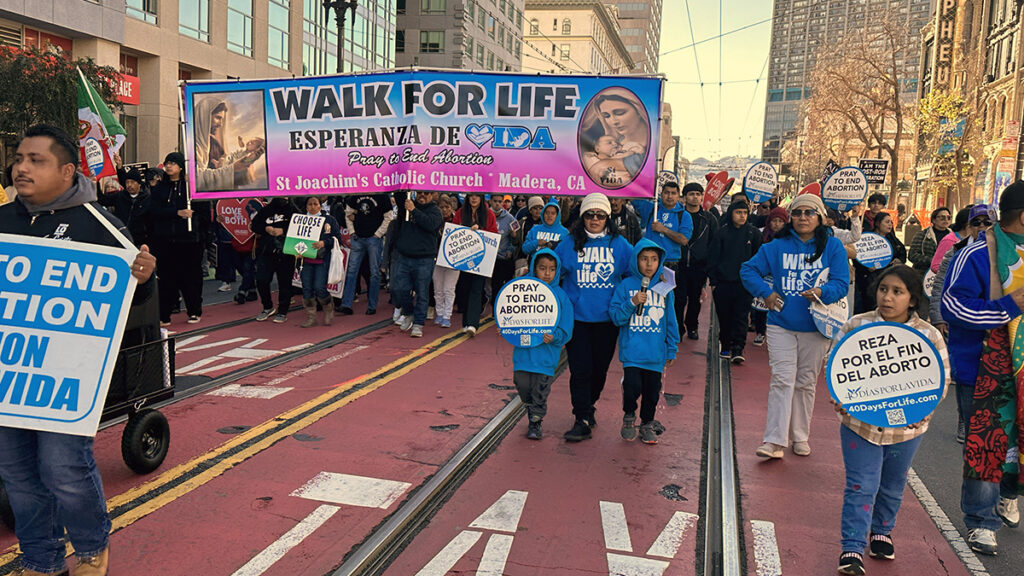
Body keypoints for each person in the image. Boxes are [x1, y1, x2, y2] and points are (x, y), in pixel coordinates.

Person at [0, 123, 157, 576]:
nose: (22, 167)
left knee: (63, 470)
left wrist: (144, 280)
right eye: (19, 158)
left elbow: (132, 302)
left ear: (68, 171)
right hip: (10, 379)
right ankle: (42, 559)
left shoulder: (102, 224)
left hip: (66, 383)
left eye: (36, 160)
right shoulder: (3, 221)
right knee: (18, 479)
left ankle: (91, 549)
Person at [830, 266, 949, 576]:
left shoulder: (929, 335)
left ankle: (881, 531)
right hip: (860, 425)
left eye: (897, 292)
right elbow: (836, 365)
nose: (888, 297)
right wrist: (840, 397)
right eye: (884, 289)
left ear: (911, 299)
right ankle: (852, 548)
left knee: (894, 484)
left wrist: (923, 411)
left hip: (906, 429)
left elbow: (941, 380)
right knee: (861, 485)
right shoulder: (856, 325)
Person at [940, 182, 1024, 556]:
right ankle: (981, 520)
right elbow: (952, 307)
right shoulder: (976, 253)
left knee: (1016, 442)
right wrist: (1009, 307)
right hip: (984, 367)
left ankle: (1008, 493)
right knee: (986, 444)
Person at [740, 193, 850, 459]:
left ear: (820, 218)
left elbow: (841, 282)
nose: (802, 218)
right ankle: (774, 441)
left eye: (809, 213)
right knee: (782, 380)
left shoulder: (832, 247)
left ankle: (800, 435)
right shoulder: (776, 246)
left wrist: (823, 293)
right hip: (781, 324)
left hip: (817, 326)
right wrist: (765, 294)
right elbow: (748, 270)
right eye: (798, 213)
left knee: (805, 382)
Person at [554, 193, 634, 441]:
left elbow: (636, 271)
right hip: (577, 318)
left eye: (600, 215)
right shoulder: (568, 243)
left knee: (599, 370)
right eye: (590, 214)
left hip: (607, 320)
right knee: (580, 369)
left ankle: (589, 406)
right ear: (582, 217)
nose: (595, 219)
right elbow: (552, 270)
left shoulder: (619, 245)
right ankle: (581, 417)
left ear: (608, 218)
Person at [610, 239, 679, 444]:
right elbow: (616, 317)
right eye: (644, 259)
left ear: (661, 262)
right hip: (633, 351)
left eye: (654, 259)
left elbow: (670, 320)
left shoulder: (665, 288)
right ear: (636, 260)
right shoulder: (626, 286)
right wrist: (632, 303)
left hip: (655, 353)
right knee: (632, 387)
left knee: (652, 391)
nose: (649, 264)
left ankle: (647, 422)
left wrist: (671, 347)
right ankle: (629, 414)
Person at [512, 248, 574, 440]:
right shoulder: (522, 289)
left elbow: (566, 327)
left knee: (540, 389)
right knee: (522, 385)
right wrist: (505, 328)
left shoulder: (561, 296)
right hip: (523, 354)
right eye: (542, 268)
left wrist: (555, 336)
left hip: (546, 356)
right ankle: (532, 408)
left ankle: (535, 421)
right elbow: (509, 314)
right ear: (534, 268)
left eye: (552, 269)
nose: (547, 273)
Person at [149, 151, 208, 325]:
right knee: (166, 279)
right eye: (167, 163)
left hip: (189, 241)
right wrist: (176, 213)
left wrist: (193, 217)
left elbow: (204, 214)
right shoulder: (159, 189)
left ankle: (194, 310)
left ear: (181, 167)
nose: (168, 166)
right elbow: (153, 212)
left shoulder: (191, 189)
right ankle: (164, 314)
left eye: (173, 163)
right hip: (165, 241)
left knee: (191, 278)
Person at [708, 197, 762, 363]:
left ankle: (738, 348)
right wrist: (714, 282)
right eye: (738, 212)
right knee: (725, 317)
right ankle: (725, 344)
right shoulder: (722, 233)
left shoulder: (753, 233)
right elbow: (713, 258)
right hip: (724, 284)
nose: (742, 216)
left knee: (741, 317)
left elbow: (758, 258)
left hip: (744, 285)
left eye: (745, 213)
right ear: (731, 213)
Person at [393, 190, 444, 337]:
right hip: (404, 257)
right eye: (420, 192)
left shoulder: (435, 211)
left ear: (433, 194)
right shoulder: (407, 204)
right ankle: (408, 312)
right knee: (399, 289)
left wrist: (414, 210)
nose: (423, 195)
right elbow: (398, 194)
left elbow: (430, 225)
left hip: (424, 259)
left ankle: (418, 323)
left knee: (422, 292)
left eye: (426, 193)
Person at [193, 97, 265, 191]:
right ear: (204, 116)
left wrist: (245, 161)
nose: (220, 124)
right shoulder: (191, 146)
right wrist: (233, 168)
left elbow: (226, 165)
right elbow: (196, 179)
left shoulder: (214, 144)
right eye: (218, 118)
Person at [338, 193, 392, 316]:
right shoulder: (356, 195)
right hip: (359, 238)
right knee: (352, 271)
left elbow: (389, 217)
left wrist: (378, 234)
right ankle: (347, 304)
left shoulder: (382, 196)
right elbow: (348, 213)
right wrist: (352, 232)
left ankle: (372, 305)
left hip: (373, 239)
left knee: (374, 272)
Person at [452, 193, 498, 335]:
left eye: (477, 196)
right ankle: (466, 323)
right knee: (464, 289)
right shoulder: (460, 213)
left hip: (481, 258)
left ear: (481, 198)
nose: (474, 198)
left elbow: (494, 235)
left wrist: (480, 231)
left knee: (476, 289)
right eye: (471, 196)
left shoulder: (489, 214)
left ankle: (473, 323)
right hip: (463, 258)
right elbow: (453, 231)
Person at [677, 182, 717, 340]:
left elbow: (714, 243)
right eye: (691, 194)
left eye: (698, 194)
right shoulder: (677, 216)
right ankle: (678, 328)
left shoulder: (709, 219)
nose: (695, 197)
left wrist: (709, 265)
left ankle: (692, 326)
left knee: (695, 299)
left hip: (699, 266)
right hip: (679, 265)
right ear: (685, 197)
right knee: (678, 300)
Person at [251, 197, 299, 323]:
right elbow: (254, 225)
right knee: (261, 280)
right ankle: (267, 307)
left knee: (285, 283)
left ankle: (283, 311)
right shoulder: (266, 210)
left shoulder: (294, 211)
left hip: (286, 251)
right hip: (266, 251)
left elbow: (301, 227)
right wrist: (265, 229)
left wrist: (283, 230)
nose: (283, 198)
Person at [298, 196, 341, 327]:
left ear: (320, 206)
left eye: (315, 204)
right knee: (306, 289)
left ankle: (328, 309)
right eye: (309, 204)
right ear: (306, 207)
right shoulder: (300, 220)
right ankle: (311, 317)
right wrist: (295, 251)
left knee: (320, 287)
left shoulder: (329, 220)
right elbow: (294, 238)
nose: (312, 206)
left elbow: (337, 238)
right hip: (305, 260)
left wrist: (324, 242)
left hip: (321, 260)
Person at [750, 206, 790, 346]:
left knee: (780, 305)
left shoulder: (789, 238)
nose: (777, 224)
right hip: (764, 277)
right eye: (774, 221)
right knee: (762, 305)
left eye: (780, 221)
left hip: (781, 278)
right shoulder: (761, 234)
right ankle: (760, 332)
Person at [854, 212, 906, 314]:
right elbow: (857, 256)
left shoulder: (893, 240)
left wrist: (899, 260)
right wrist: (866, 267)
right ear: (878, 223)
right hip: (868, 280)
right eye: (887, 222)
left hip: (888, 277)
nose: (890, 225)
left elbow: (902, 254)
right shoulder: (866, 239)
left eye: (890, 222)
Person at [97, 167, 150, 247]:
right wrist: (96, 183)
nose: (129, 185)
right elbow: (102, 200)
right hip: (120, 238)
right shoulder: (120, 196)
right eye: (127, 182)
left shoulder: (147, 198)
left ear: (139, 183)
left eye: (132, 182)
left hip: (139, 241)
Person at [433, 194, 460, 328]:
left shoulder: (457, 220)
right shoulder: (435, 220)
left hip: (454, 260)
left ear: (451, 207)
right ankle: (439, 312)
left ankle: (446, 315)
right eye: (441, 207)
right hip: (437, 258)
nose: (444, 210)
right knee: (438, 288)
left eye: (447, 207)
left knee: (449, 289)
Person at [489, 194, 518, 300]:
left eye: (500, 202)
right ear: (490, 201)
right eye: (495, 201)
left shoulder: (511, 219)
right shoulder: (484, 215)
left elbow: (515, 241)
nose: (497, 204)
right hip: (486, 257)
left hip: (501, 258)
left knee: (497, 286)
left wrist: (510, 249)